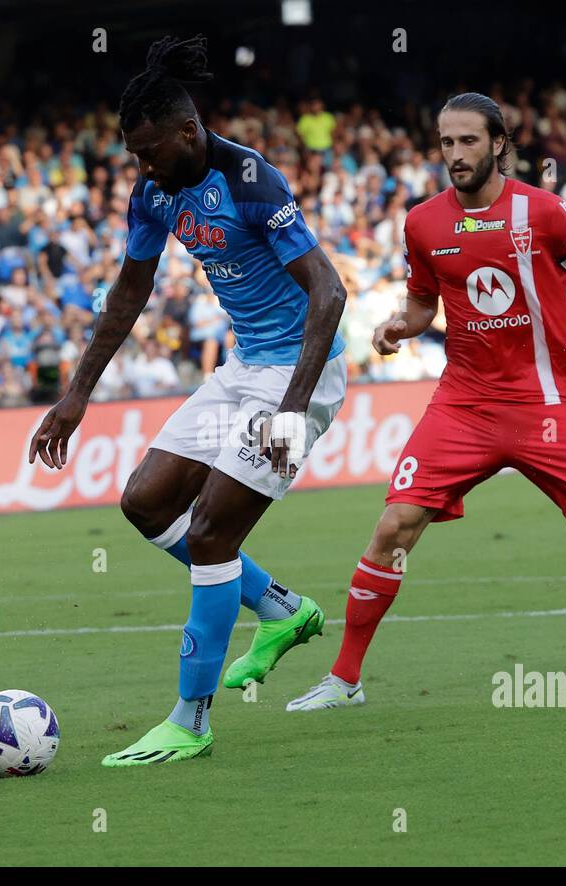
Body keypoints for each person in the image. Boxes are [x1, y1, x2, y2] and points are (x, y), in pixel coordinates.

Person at [275, 93, 566, 712]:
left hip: (546, 405)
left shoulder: (544, 212)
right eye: (446, 142)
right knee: (393, 526)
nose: (455, 154)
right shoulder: (423, 223)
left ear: (498, 144)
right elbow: (422, 303)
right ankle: (345, 679)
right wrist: (399, 326)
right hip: (463, 406)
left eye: (468, 141)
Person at [30, 36, 348, 765]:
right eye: (134, 156)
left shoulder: (250, 180)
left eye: (151, 153)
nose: (143, 169)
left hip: (304, 371)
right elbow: (129, 293)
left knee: (210, 534)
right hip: (243, 367)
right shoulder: (155, 192)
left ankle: (190, 720)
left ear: (188, 132)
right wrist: (77, 395)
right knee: (145, 503)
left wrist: (293, 411)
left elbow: (329, 291)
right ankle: (282, 611)